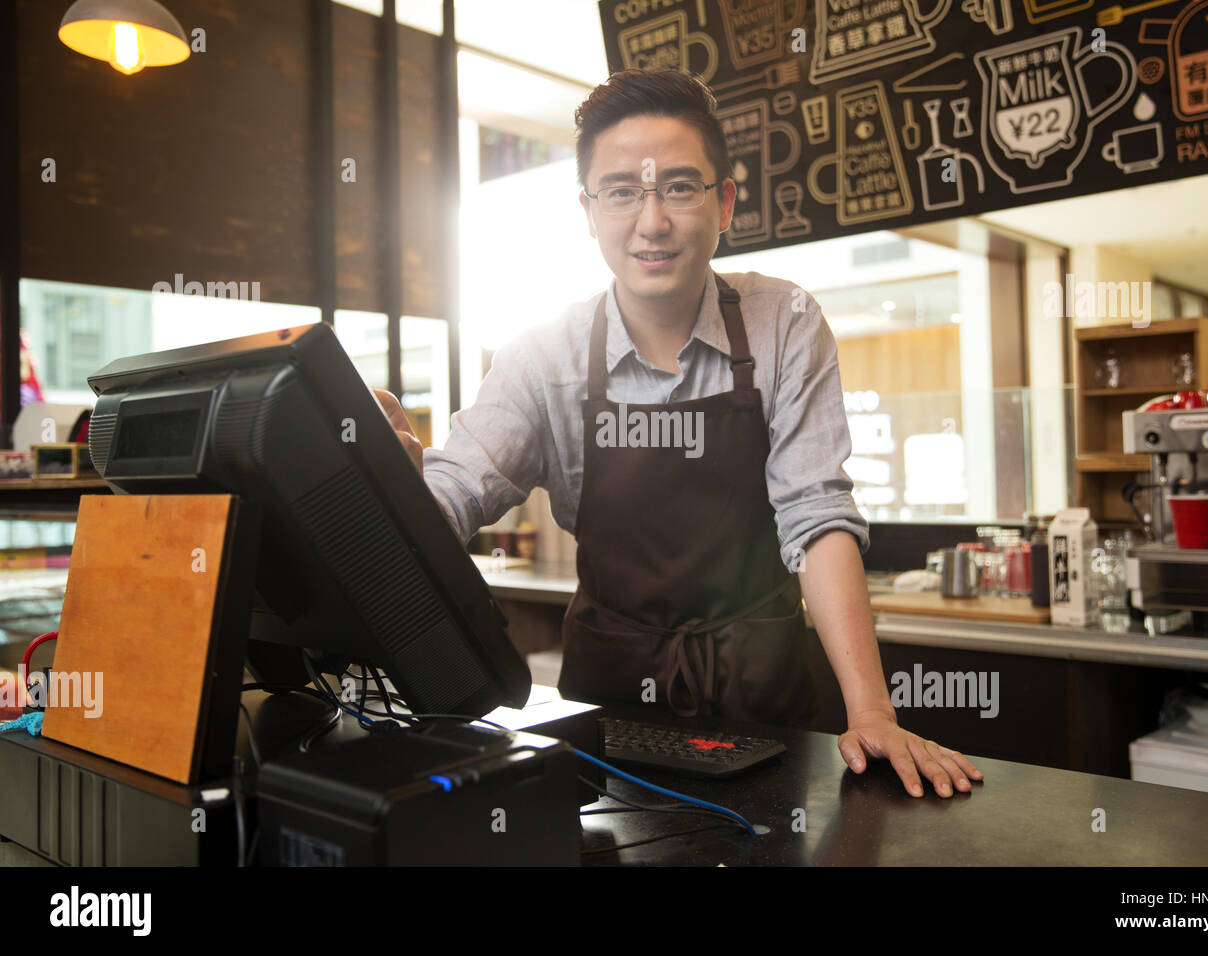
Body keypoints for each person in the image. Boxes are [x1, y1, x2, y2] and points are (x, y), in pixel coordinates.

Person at [374, 69, 981, 798]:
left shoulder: (783, 321)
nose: (651, 220)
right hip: (606, 716)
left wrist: (873, 710)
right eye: (623, 190)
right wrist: (389, 496)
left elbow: (816, 513)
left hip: (771, 704)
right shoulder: (543, 356)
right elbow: (458, 486)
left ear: (724, 201)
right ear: (589, 210)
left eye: (681, 187)